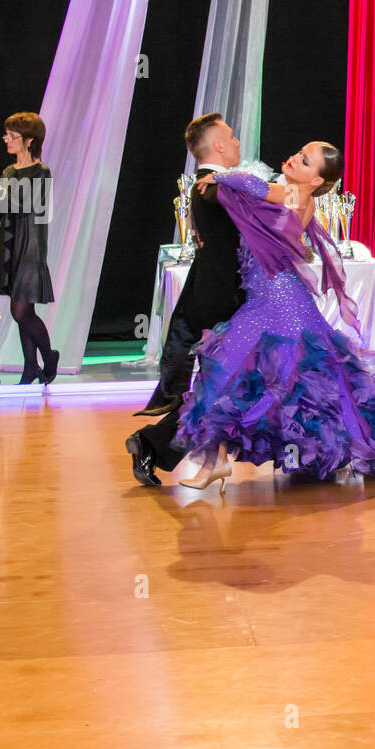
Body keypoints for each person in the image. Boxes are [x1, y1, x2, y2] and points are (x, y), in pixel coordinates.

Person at [171, 142, 375, 489]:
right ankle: (219, 462)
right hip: (270, 298)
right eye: (299, 152)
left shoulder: (293, 195)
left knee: (263, 377)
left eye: (305, 161)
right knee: (255, 377)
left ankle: (322, 454)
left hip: (280, 303)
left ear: (317, 179)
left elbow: (251, 185)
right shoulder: (294, 196)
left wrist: (220, 175)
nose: (293, 157)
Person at [126, 113, 247, 486]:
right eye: (231, 135)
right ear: (218, 145)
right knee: (226, 388)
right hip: (223, 299)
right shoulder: (213, 186)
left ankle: (156, 445)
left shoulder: (209, 184)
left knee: (231, 387)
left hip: (216, 296)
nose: (238, 141)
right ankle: (155, 445)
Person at [0, 112, 57, 384]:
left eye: (12, 136)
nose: (6, 140)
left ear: (29, 140)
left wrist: (0, 191)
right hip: (11, 244)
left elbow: (30, 206)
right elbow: (4, 209)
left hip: (31, 246)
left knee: (20, 311)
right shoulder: (10, 171)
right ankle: (30, 368)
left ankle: (49, 355)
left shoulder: (41, 172)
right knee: (24, 313)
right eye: (6, 135)